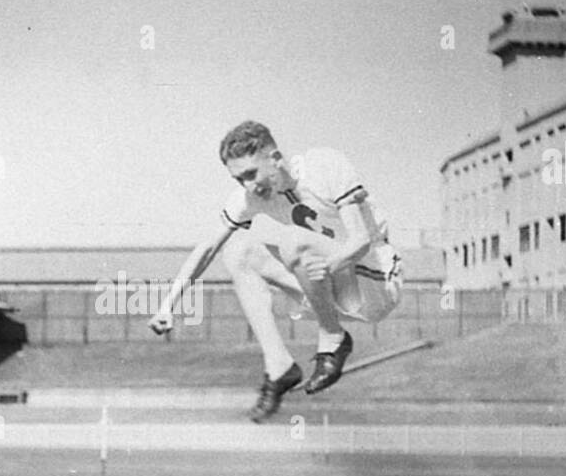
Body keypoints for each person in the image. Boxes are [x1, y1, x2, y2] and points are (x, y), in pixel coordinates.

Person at [149, 120, 402, 421]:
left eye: (251, 174)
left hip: (375, 281)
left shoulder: (324, 164)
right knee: (239, 250)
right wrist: (169, 304)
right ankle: (279, 365)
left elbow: (360, 241)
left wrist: (327, 267)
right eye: (239, 179)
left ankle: (332, 339)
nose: (248, 186)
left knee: (294, 242)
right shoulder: (250, 198)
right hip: (330, 287)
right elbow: (206, 248)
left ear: (276, 159)